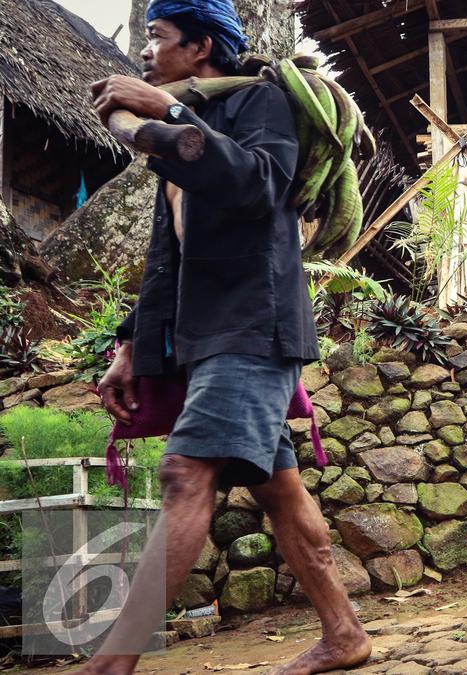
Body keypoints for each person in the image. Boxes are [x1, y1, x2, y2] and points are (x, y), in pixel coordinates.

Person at [80, 2, 369, 673]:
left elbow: (259, 183)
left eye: (158, 39)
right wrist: (131, 346)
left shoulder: (258, 103)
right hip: (206, 330)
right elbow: (166, 256)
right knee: (279, 490)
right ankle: (344, 632)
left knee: (185, 473)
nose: (146, 52)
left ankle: (112, 661)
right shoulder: (177, 133)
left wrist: (169, 114)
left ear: (202, 46)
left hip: (254, 322)